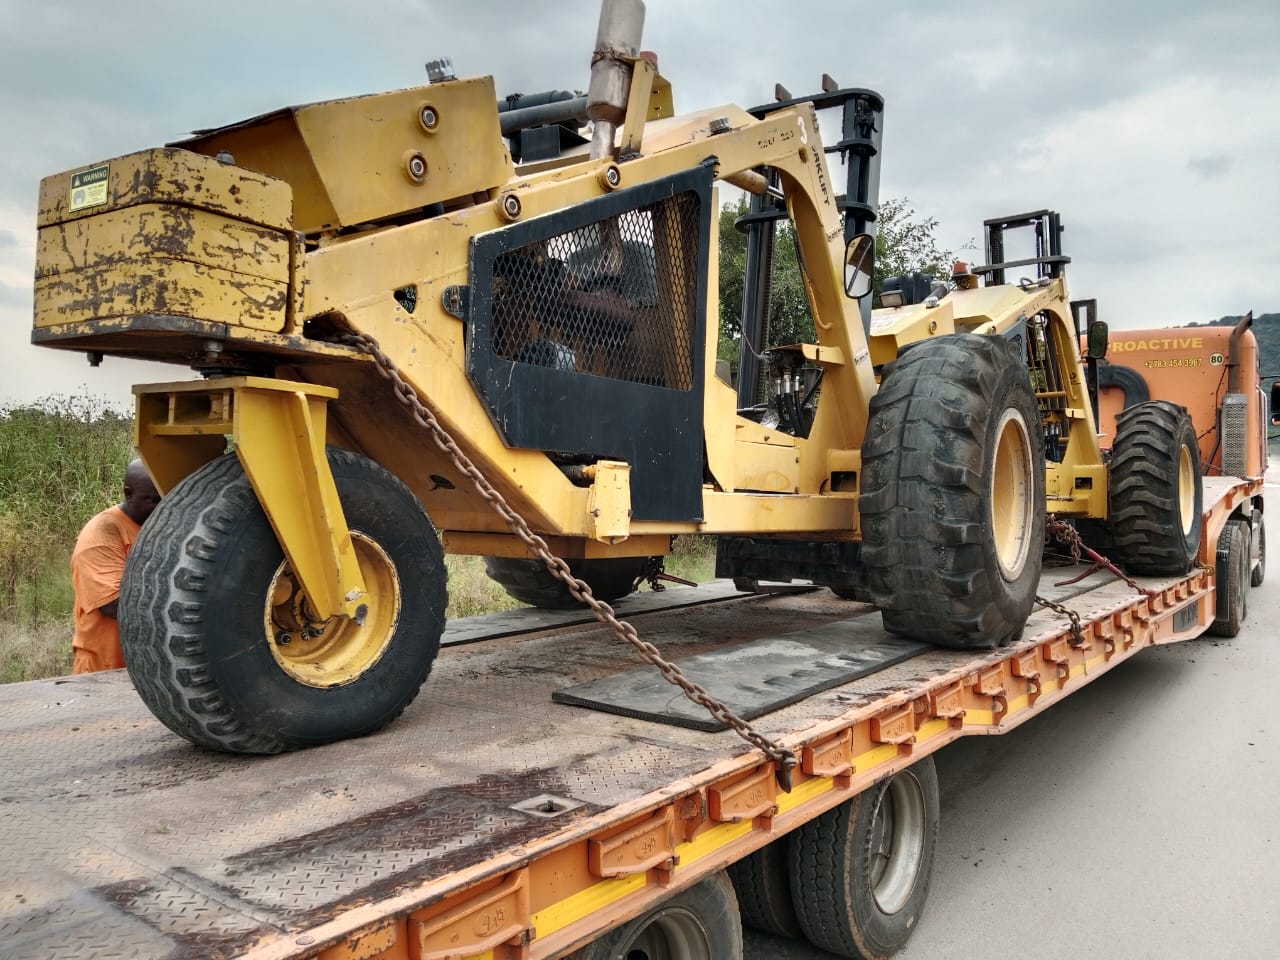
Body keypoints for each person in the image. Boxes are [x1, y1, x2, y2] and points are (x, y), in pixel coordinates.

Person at [70, 460, 161, 674]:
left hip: (145, 668)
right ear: (129, 494)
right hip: (105, 667)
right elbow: (114, 605)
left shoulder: (156, 528)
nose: (162, 507)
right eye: (154, 500)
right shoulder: (102, 534)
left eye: (167, 498)